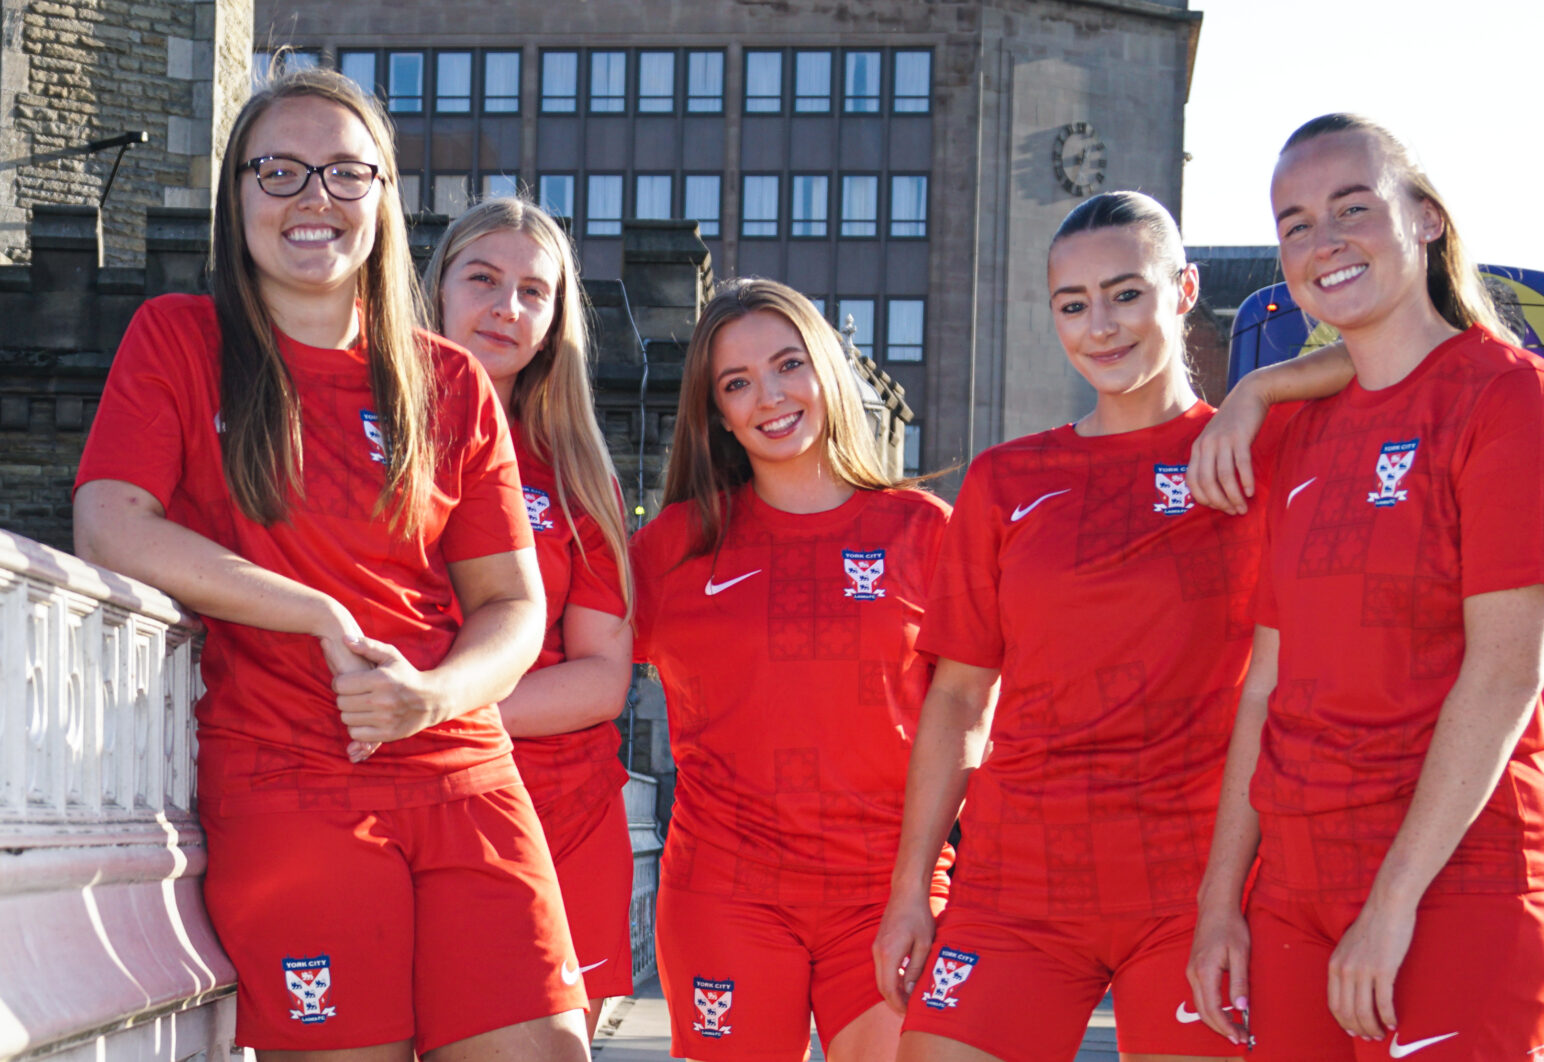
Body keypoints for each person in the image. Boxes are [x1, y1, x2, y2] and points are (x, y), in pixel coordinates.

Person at [72, 69, 590, 1061]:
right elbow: (111, 523)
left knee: (545, 1048)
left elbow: (514, 604)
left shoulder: (448, 384)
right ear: (237, 198)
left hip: (460, 766)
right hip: (286, 773)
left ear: (386, 198)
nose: (314, 197)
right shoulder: (179, 341)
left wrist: (432, 696)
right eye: (280, 170)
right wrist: (315, 613)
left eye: (347, 172)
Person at [1186, 113, 1544, 1061]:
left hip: (1459, 878)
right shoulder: (1296, 432)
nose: (1323, 241)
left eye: (1352, 207)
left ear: (1426, 220)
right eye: (1294, 223)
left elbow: (1505, 676)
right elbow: (1266, 686)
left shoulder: (1514, 399)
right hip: (1294, 889)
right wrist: (1222, 905)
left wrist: (1391, 904)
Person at [873, 190, 1266, 1062]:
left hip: (1193, 885)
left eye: (1127, 294)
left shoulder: (1251, 459)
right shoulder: (1008, 480)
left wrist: (1264, 389)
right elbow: (958, 698)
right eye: (1073, 304)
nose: (1101, 327)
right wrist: (911, 893)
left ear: (1185, 289)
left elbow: (1391, 363)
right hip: (1017, 881)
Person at [629, 278, 954, 1062]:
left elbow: (979, 717)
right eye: (737, 383)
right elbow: (562, 660)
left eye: (787, 365)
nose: (769, 397)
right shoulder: (672, 548)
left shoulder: (923, 532)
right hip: (725, 892)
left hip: (890, 888)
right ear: (717, 411)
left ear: (827, 371)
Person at [421, 197, 635, 1039]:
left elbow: (600, 679)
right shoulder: (363, 432)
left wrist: (434, 714)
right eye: (483, 279)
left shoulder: (578, 478)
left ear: (554, 322)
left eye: (533, 292)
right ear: (437, 289)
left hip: (559, 813)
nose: (507, 308)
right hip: (399, 798)